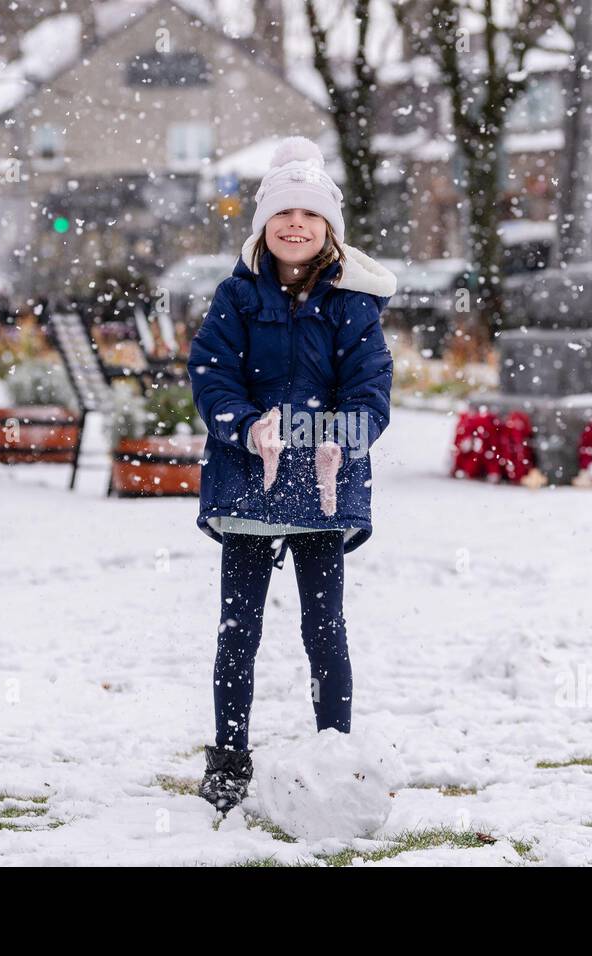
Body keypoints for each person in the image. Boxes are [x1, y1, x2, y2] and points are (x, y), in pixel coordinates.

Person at [186, 135, 396, 814]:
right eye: (282, 215)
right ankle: (228, 755)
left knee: (324, 628)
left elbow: (370, 391)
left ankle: (333, 751)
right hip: (251, 484)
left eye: (308, 215)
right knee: (237, 629)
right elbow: (212, 376)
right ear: (264, 226)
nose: (295, 225)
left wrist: (340, 434)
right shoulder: (237, 297)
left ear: (328, 227)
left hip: (322, 493)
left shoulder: (351, 305)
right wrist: (245, 426)